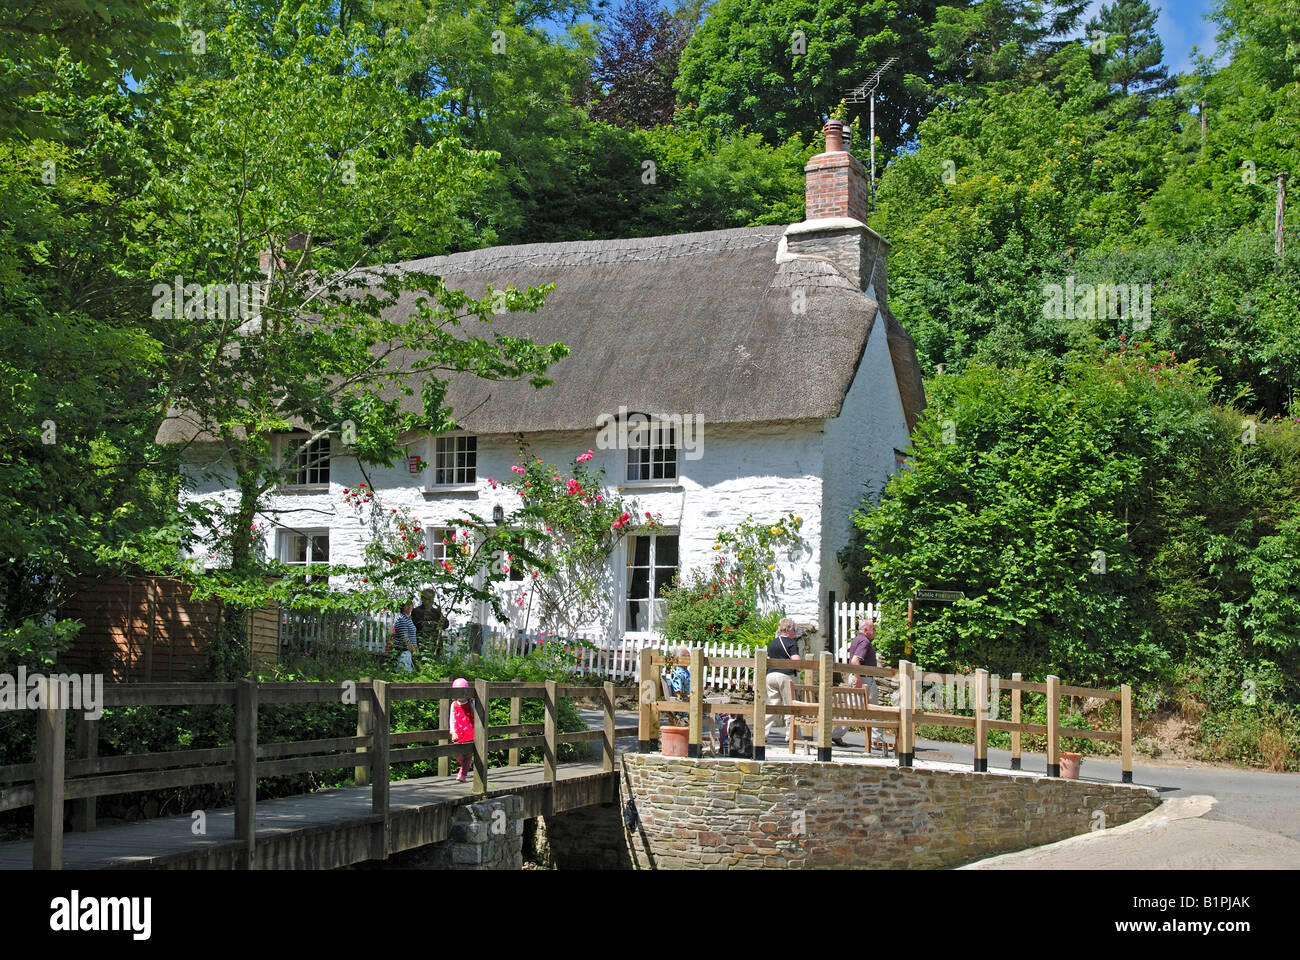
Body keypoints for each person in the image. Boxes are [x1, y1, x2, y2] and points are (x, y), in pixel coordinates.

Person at [833, 619, 880, 747]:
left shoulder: (856, 639)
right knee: (874, 710)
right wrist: (858, 677)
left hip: (860, 677)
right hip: (864, 679)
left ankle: (876, 739)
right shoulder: (864, 641)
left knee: (852, 709)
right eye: (873, 629)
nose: (875, 631)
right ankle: (877, 740)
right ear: (866, 630)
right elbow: (855, 661)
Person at [764, 617, 802, 741]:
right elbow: (796, 661)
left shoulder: (773, 642)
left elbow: (768, 659)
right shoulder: (791, 643)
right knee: (789, 705)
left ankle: (763, 733)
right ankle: (791, 735)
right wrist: (800, 668)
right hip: (785, 676)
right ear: (787, 629)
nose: (795, 632)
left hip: (770, 676)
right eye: (793, 629)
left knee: (772, 705)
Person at [450, 677, 474, 783]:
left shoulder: (471, 703)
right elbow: (452, 719)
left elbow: (476, 715)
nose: (460, 695)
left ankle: (462, 774)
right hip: (458, 732)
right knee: (457, 752)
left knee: (468, 754)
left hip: (469, 732)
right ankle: (465, 765)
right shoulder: (454, 704)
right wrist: (453, 731)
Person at [387, 600, 418, 673]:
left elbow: (412, 635)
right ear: (402, 607)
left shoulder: (408, 619)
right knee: (403, 673)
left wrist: (415, 647)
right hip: (403, 651)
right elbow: (404, 637)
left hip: (408, 651)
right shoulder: (401, 619)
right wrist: (413, 649)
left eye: (411, 605)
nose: (409, 607)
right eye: (407, 605)